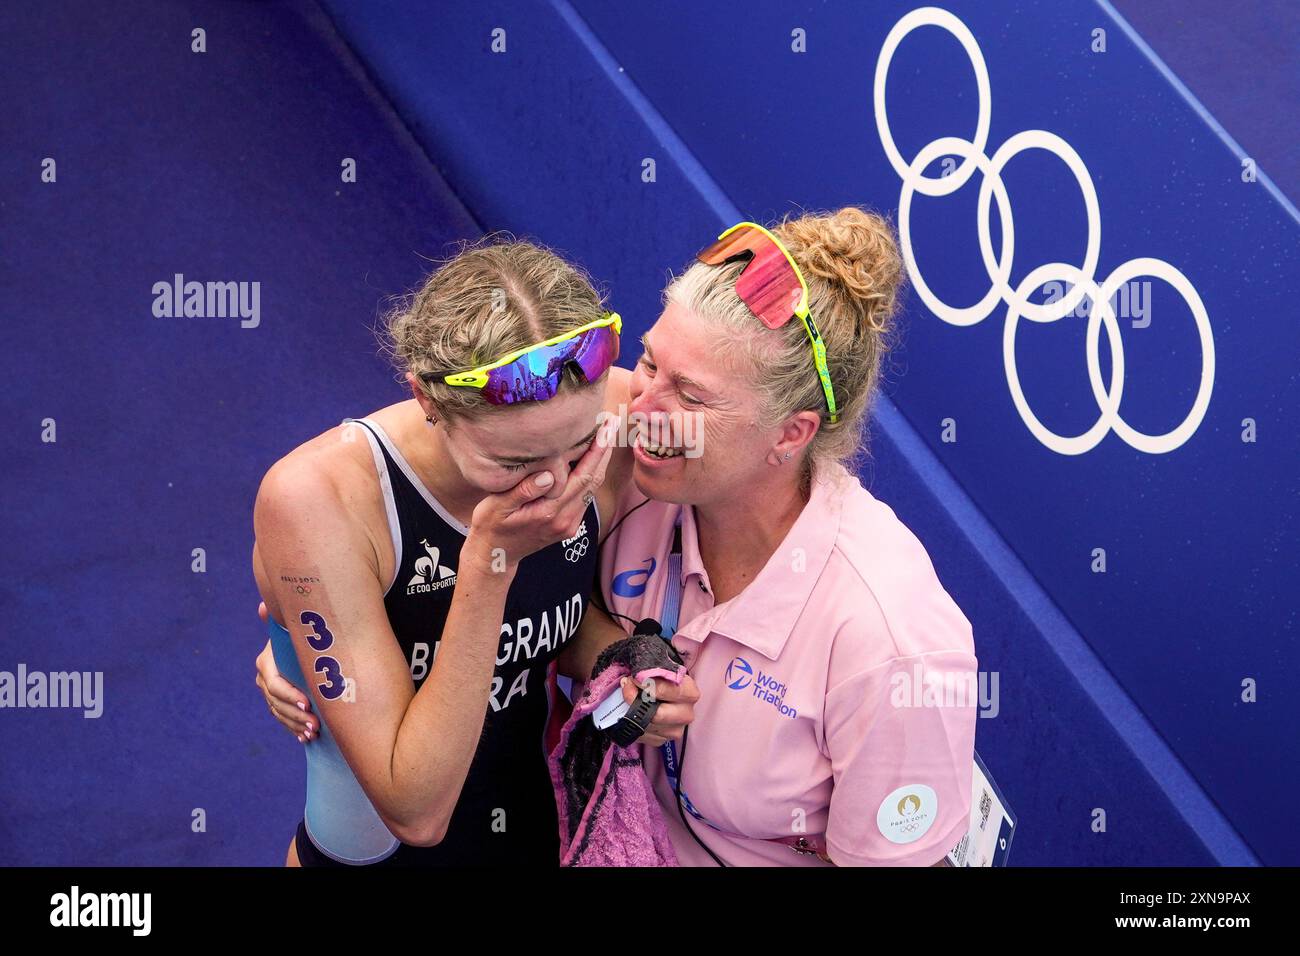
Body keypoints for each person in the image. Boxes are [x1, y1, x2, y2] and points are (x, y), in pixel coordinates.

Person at [259, 208, 977, 867]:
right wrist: (313, 636)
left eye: (689, 397)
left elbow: (550, 612)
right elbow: (415, 791)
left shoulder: (890, 641)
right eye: (652, 365)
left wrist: (608, 650)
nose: (644, 409)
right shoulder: (623, 455)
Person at [251, 238, 696, 867]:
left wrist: (620, 663)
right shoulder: (321, 496)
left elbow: (544, 627)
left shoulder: (621, 413)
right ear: (428, 400)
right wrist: (491, 563)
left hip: (537, 834)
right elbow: (416, 811)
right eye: (512, 462)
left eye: (576, 448)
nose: (553, 484)